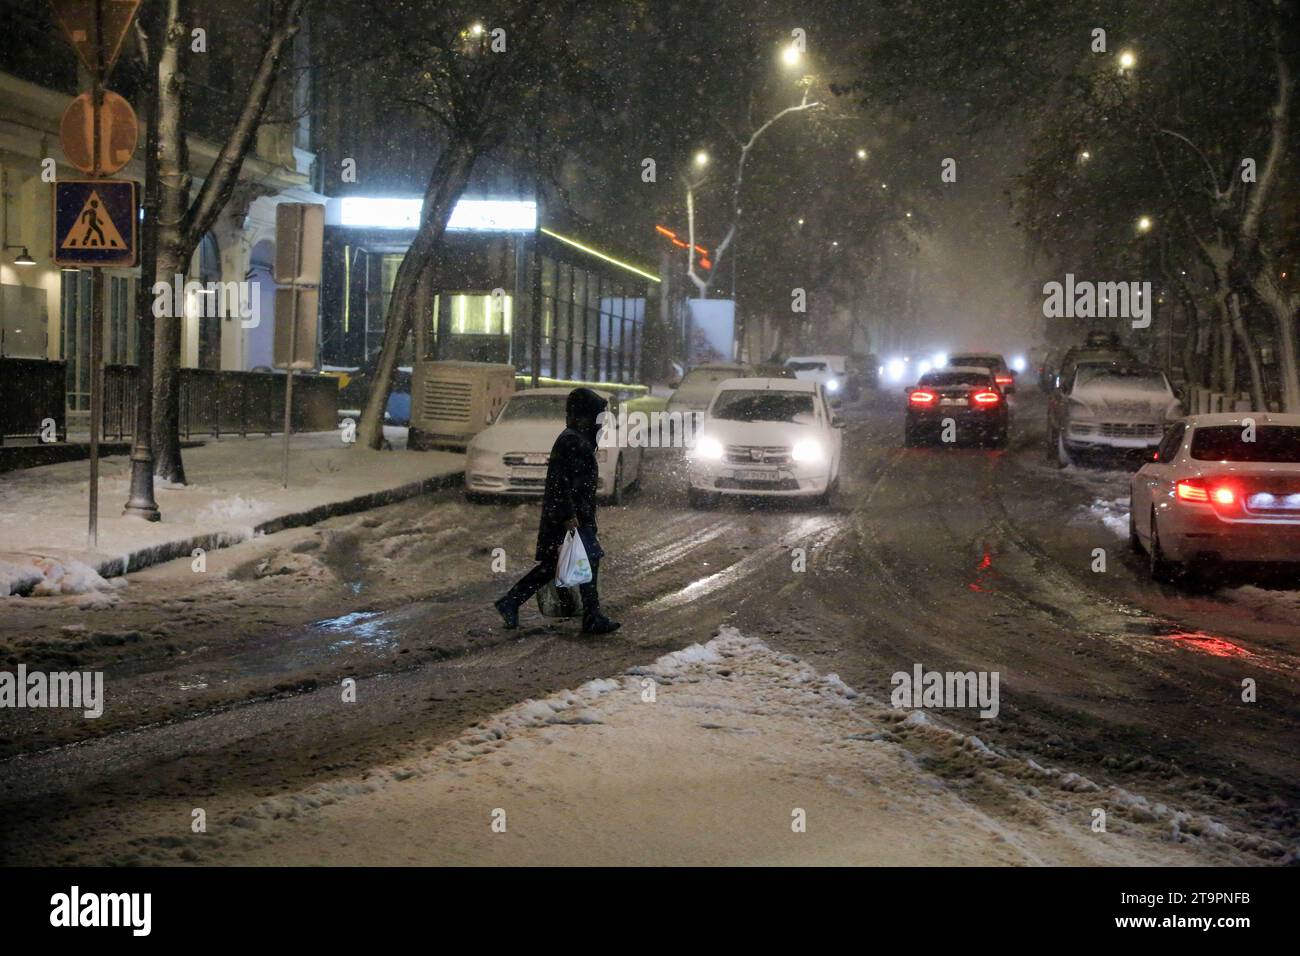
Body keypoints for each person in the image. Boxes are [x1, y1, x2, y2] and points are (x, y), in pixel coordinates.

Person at [494, 387, 621, 635]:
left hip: (572, 515)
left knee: (557, 565)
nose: (600, 422)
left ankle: (511, 601)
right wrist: (568, 516)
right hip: (570, 518)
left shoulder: (575, 438)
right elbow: (561, 483)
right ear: (584, 416)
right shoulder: (572, 440)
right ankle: (592, 616)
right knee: (585, 561)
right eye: (597, 416)